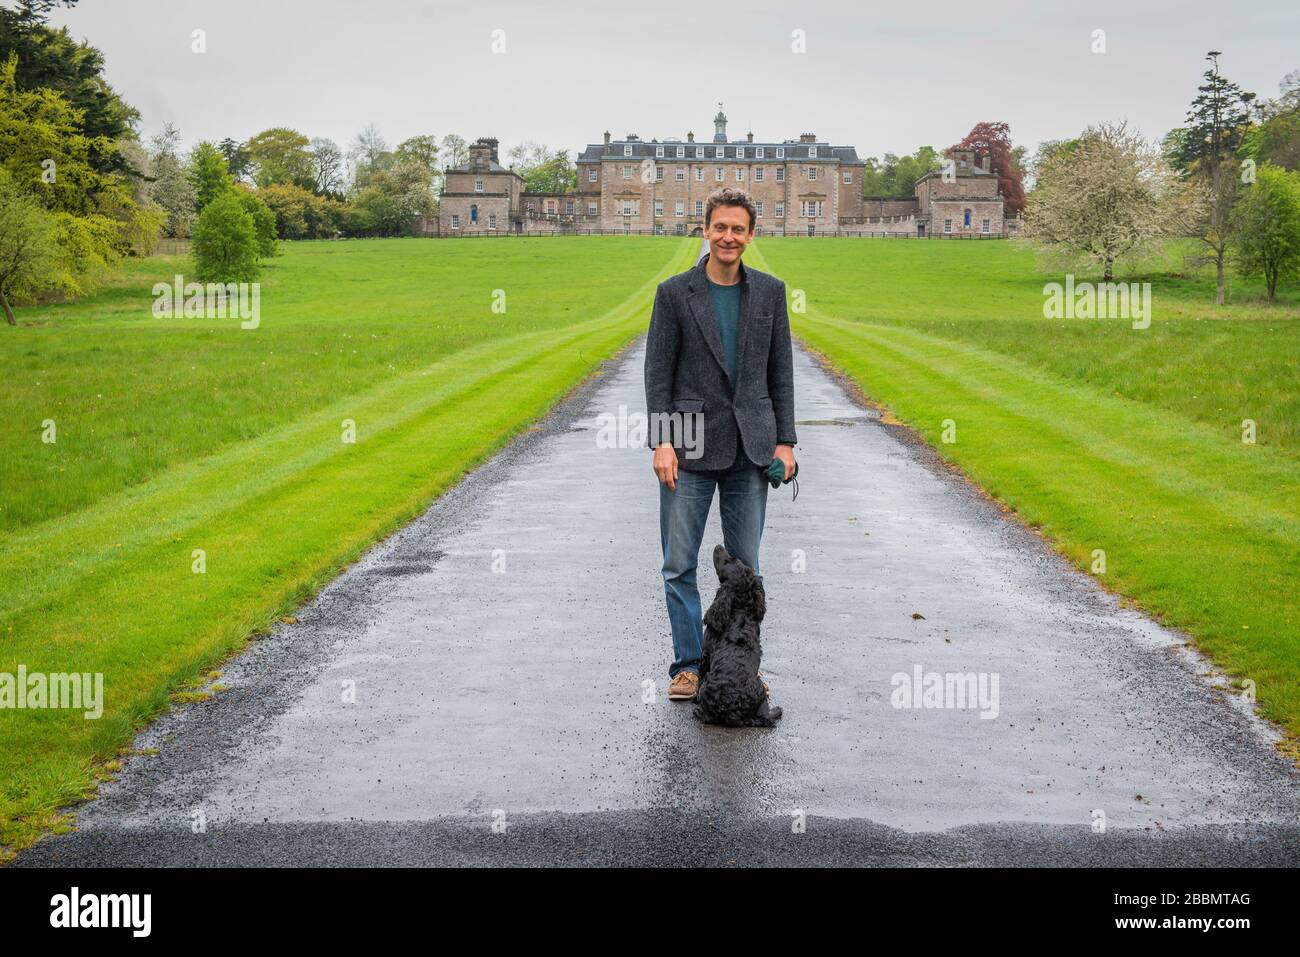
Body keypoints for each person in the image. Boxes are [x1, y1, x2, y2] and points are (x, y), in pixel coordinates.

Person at [644, 186, 798, 701]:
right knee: (679, 564)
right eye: (720, 227)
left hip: (751, 446)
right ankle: (688, 665)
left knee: (745, 570)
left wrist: (786, 442)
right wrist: (662, 441)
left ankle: (740, 664)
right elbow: (657, 375)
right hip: (686, 442)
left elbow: (782, 375)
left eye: (738, 229)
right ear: (705, 230)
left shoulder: (772, 293)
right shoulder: (673, 293)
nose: (728, 236)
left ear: (750, 235)